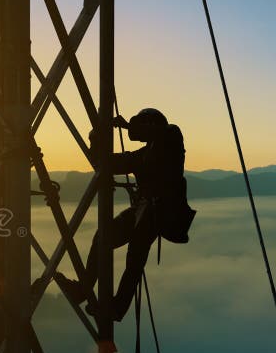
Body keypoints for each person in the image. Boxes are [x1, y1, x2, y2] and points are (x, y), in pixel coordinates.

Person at [56, 108, 196, 321]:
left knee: (135, 257)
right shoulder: (143, 154)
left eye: (143, 124)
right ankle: (84, 290)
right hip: (145, 210)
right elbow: (108, 164)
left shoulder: (172, 137)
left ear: (152, 124)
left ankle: (115, 306)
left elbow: (154, 134)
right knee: (104, 237)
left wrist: (128, 127)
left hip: (156, 211)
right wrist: (96, 139)